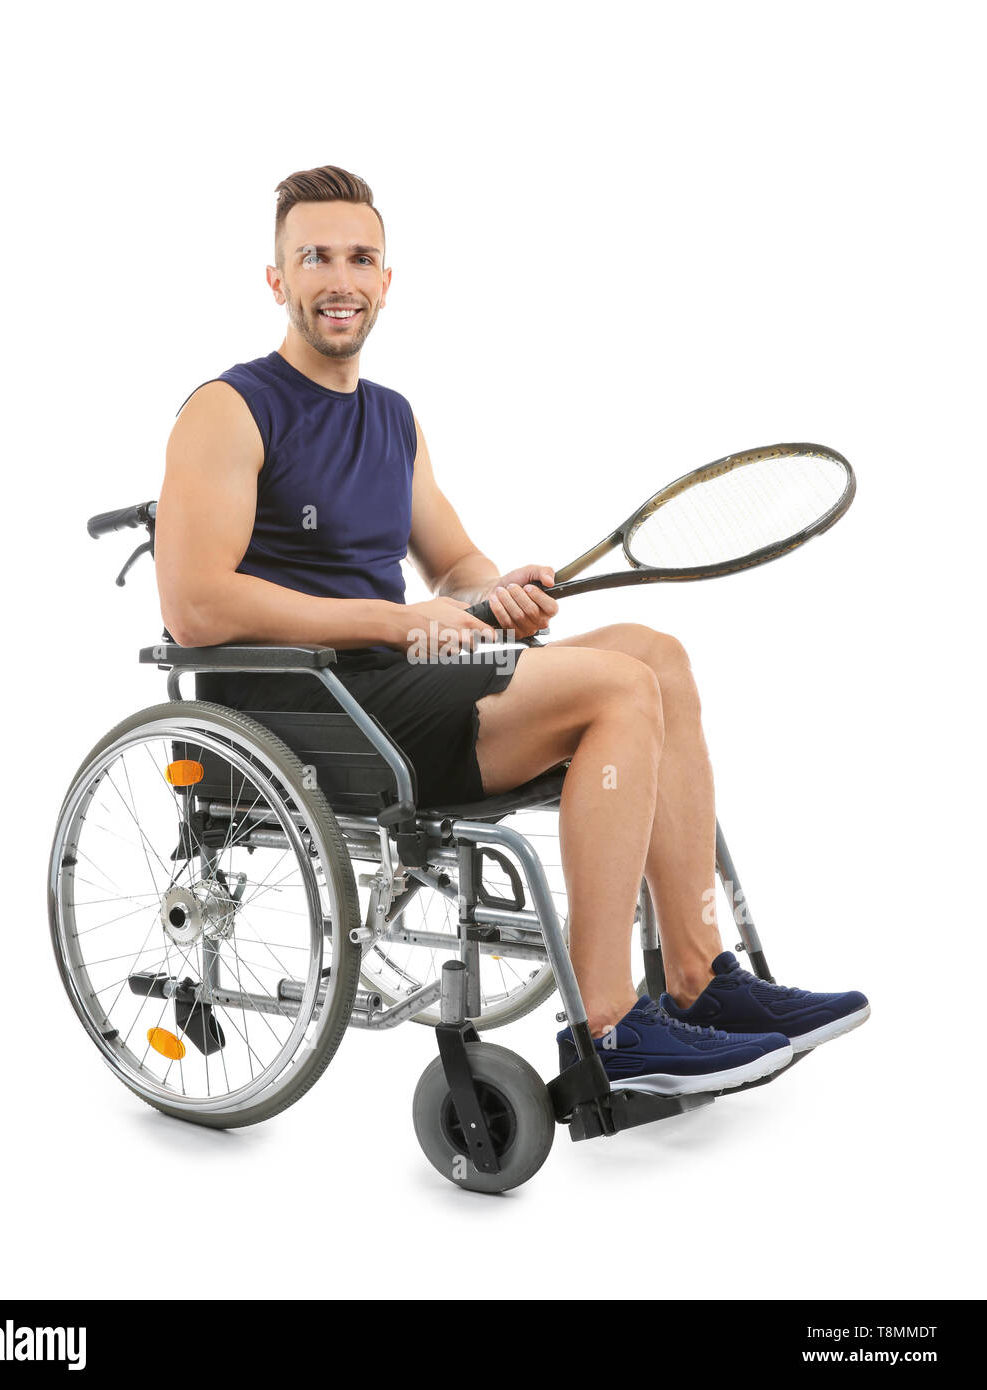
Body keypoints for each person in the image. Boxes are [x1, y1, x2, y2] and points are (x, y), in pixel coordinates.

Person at [155, 164, 869, 1097]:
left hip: (405, 677)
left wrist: (498, 591)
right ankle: (608, 1030)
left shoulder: (392, 419)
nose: (340, 279)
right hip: (308, 706)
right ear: (276, 278)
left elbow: (453, 564)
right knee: (618, 689)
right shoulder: (229, 407)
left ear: (386, 280)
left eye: (360, 258)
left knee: (657, 655)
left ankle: (699, 982)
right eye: (315, 257)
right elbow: (197, 605)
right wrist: (400, 623)